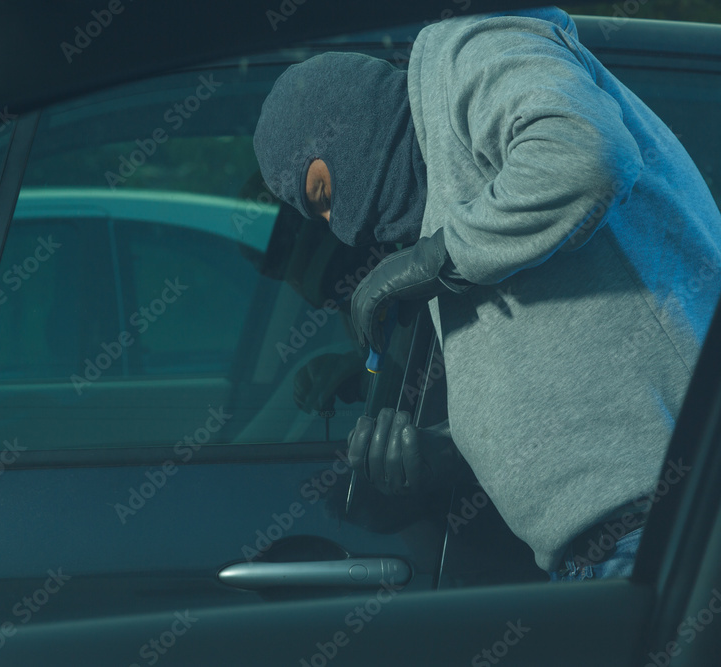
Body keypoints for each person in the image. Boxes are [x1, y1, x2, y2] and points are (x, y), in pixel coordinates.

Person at [252, 7, 721, 581]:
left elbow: (587, 154)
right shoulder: (462, 209)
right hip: (614, 553)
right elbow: (557, 387)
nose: (344, 229)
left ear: (347, 121)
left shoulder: (465, 49)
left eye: (324, 191)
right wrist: (443, 453)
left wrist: (436, 261)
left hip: (667, 534)